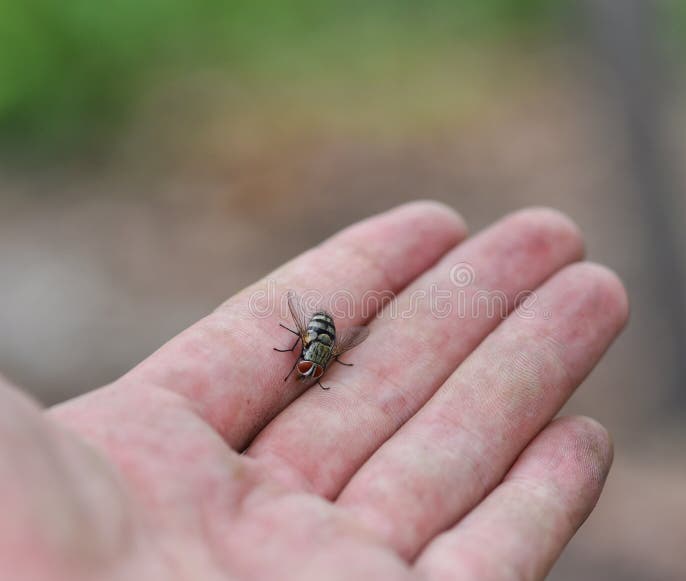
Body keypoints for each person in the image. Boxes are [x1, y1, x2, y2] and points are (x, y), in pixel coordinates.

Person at [0, 202, 628, 580]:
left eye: (309, 363)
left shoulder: (320, 354)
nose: (306, 366)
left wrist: (316, 355)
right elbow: (308, 345)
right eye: (306, 362)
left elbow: (318, 347)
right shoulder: (310, 351)